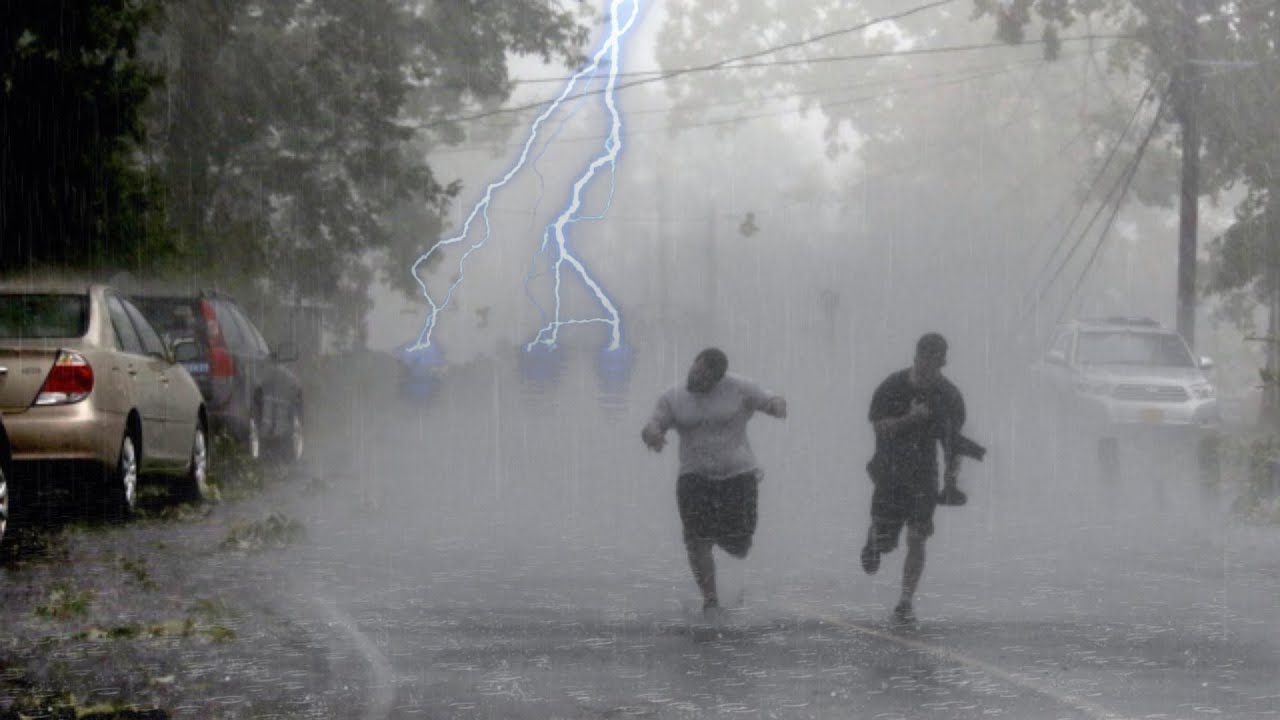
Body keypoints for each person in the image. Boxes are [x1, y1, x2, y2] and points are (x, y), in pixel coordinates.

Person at [642, 348, 787, 617]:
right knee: (696, 539)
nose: (696, 380)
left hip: (737, 476)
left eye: (704, 378)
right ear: (693, 364)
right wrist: (652, 435)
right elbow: (654, 423)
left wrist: (777, 406)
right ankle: (711, 600)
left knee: (740, 545)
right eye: (695, 372)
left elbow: (769, 400)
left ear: (718, 379)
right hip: (694, 476)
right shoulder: (674, 396)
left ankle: (728, 540)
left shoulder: (739, 388)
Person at [860, 332, 967, 625]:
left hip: (924, 474)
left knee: (918, 537)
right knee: (886, 544)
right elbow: (880, 428)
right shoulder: (892, 387)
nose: (928, 371)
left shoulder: (949, 396)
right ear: (916, 357)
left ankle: (905, 600)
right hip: (890, 471)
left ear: (942, 363)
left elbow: (953, 443)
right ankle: (876, 537)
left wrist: (952, 477)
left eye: (935, 365)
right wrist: (912, 418)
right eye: (924, 363)